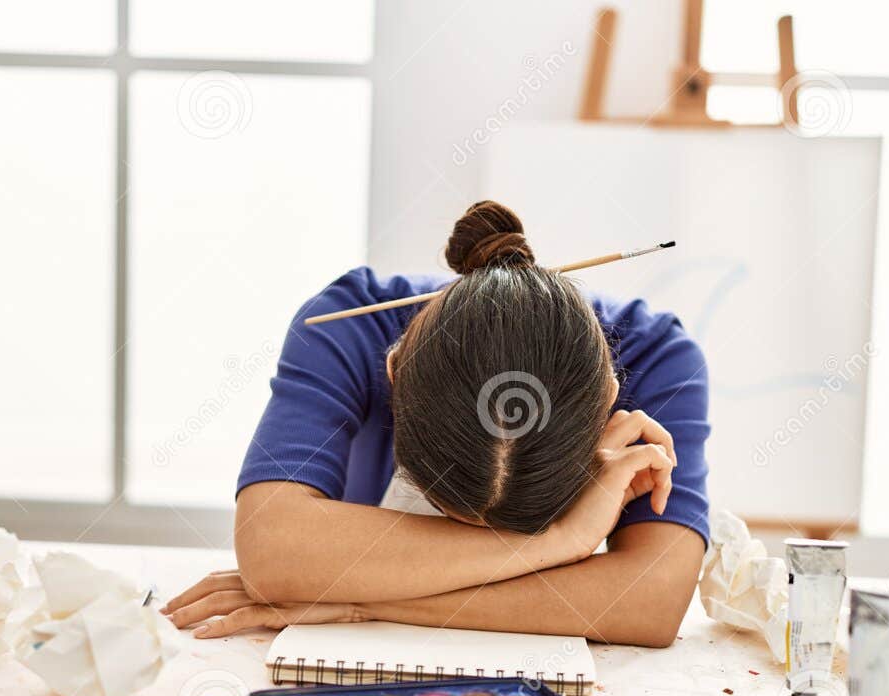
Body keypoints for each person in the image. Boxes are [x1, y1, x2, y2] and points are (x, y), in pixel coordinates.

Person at [166, 201, 710, 647]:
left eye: (517, 532)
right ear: (394, 372)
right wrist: (562, 539)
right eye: (462, 524)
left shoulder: (659, 356)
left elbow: (652, 601)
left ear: (610, 396)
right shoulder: (348, 322)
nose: (486, 545)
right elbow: (273, 547)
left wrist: (362, 600)